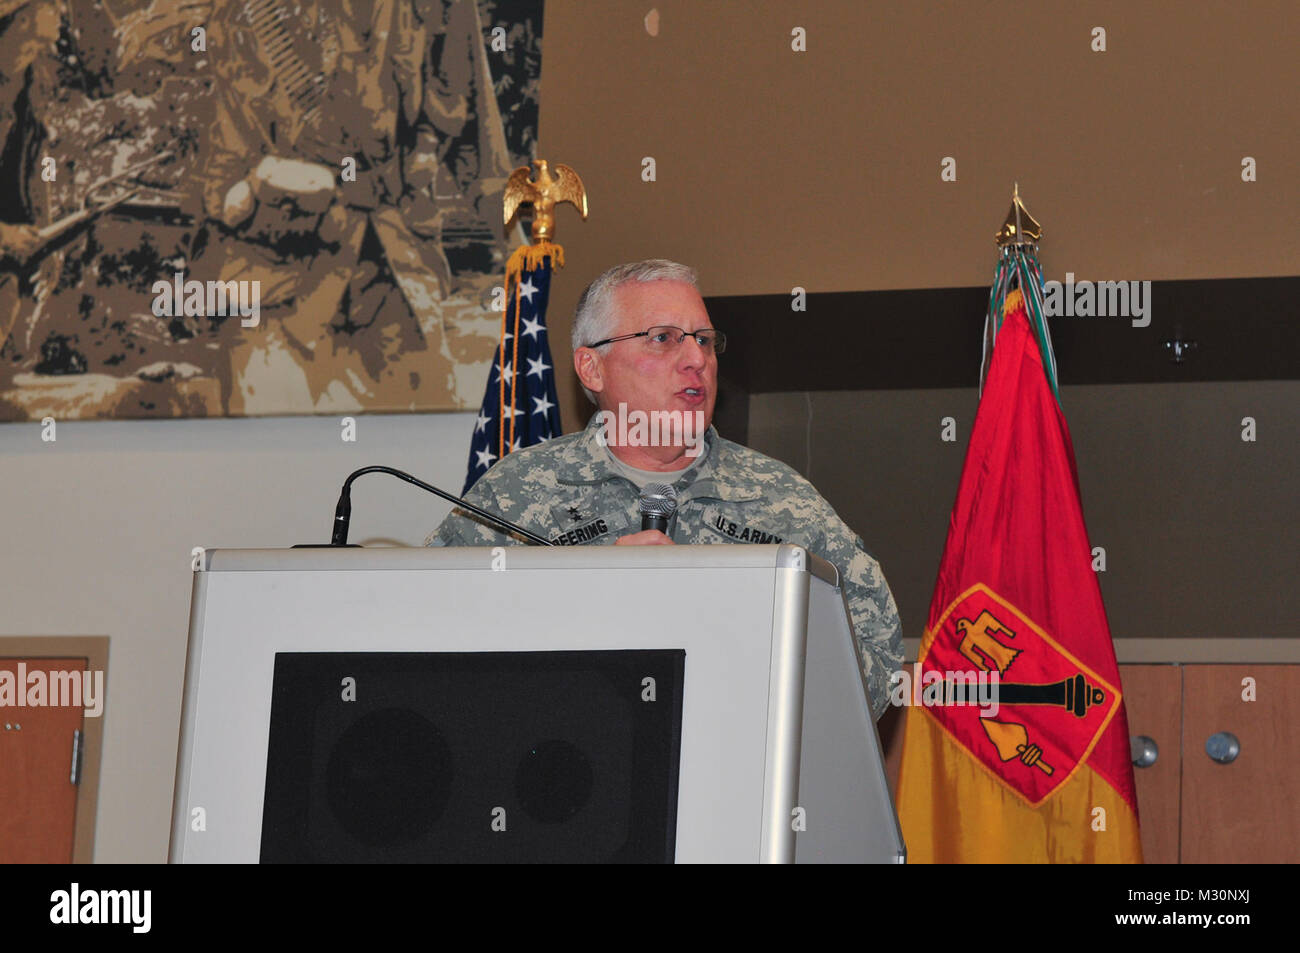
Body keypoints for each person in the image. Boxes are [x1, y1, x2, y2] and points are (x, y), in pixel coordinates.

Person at [427, 259, 903, 718]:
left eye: (704, 340)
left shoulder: (783, 500)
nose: (697, 359)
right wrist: (579, 601)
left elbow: (876, 664)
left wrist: (738, 645)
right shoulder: (516, 493)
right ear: (592, 368)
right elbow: (425, 643)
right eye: (663, 339)